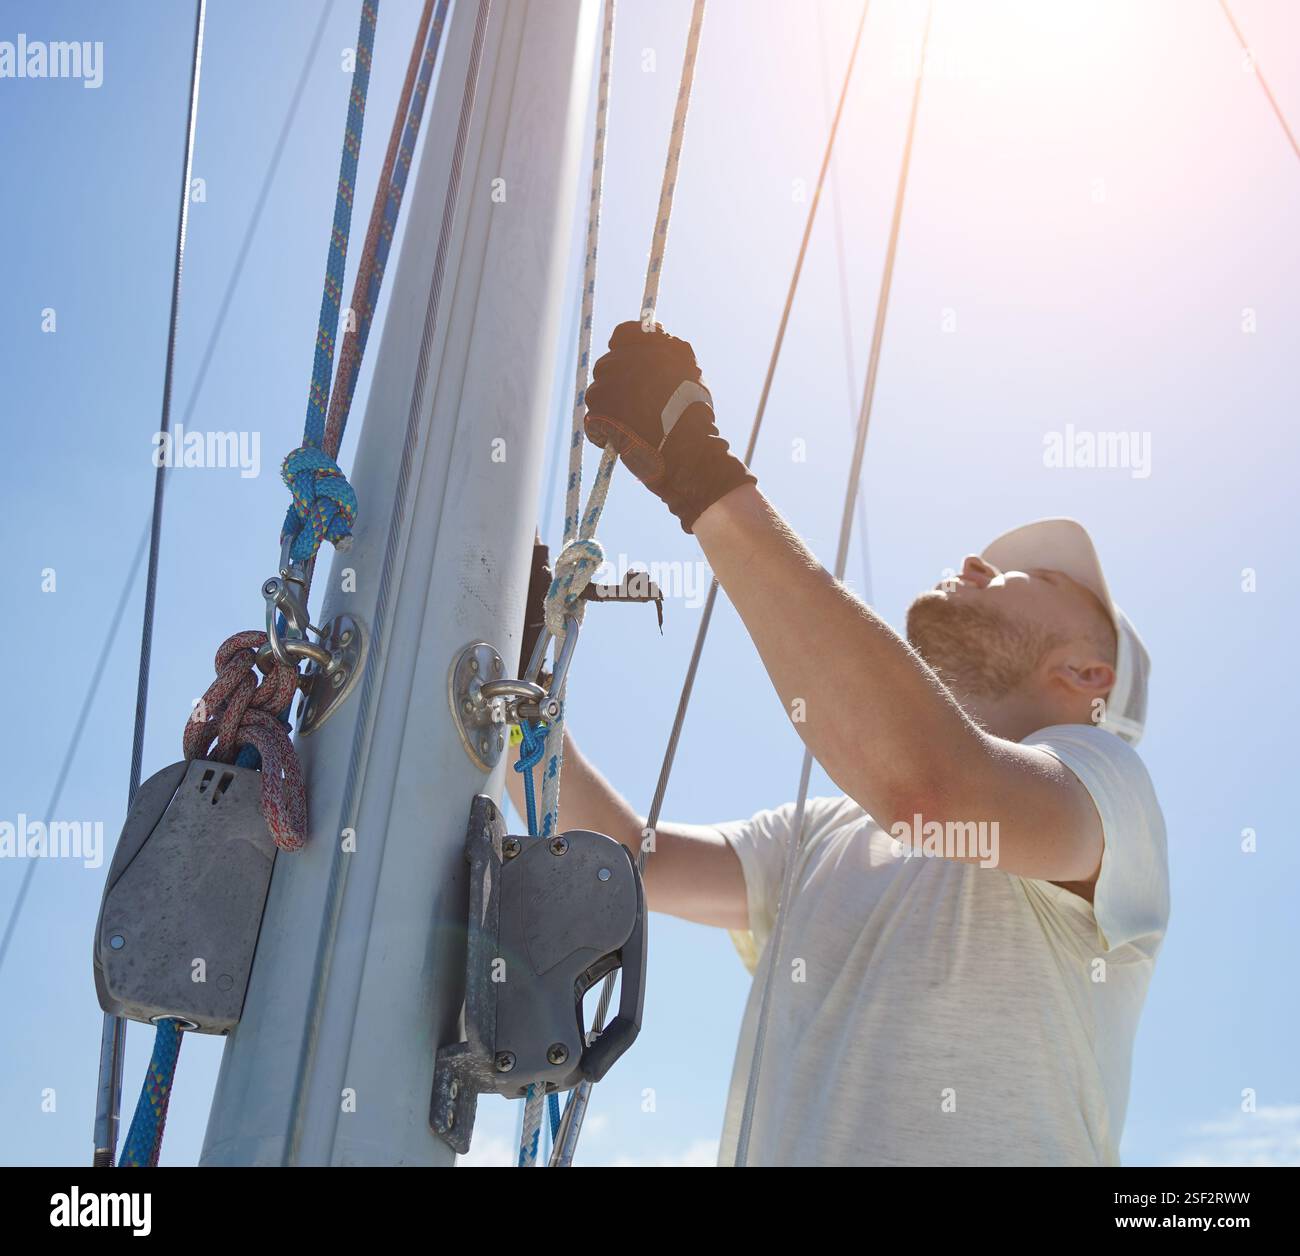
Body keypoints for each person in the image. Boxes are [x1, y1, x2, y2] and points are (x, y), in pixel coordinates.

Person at [507, 322, 1169, 1167]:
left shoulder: (1109, 790)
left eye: (1028, 577)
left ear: (1088, 672)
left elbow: (931, 788)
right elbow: (635, 862)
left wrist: (701, 471)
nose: (972, 561)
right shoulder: (822, 834)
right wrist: (525, 699)